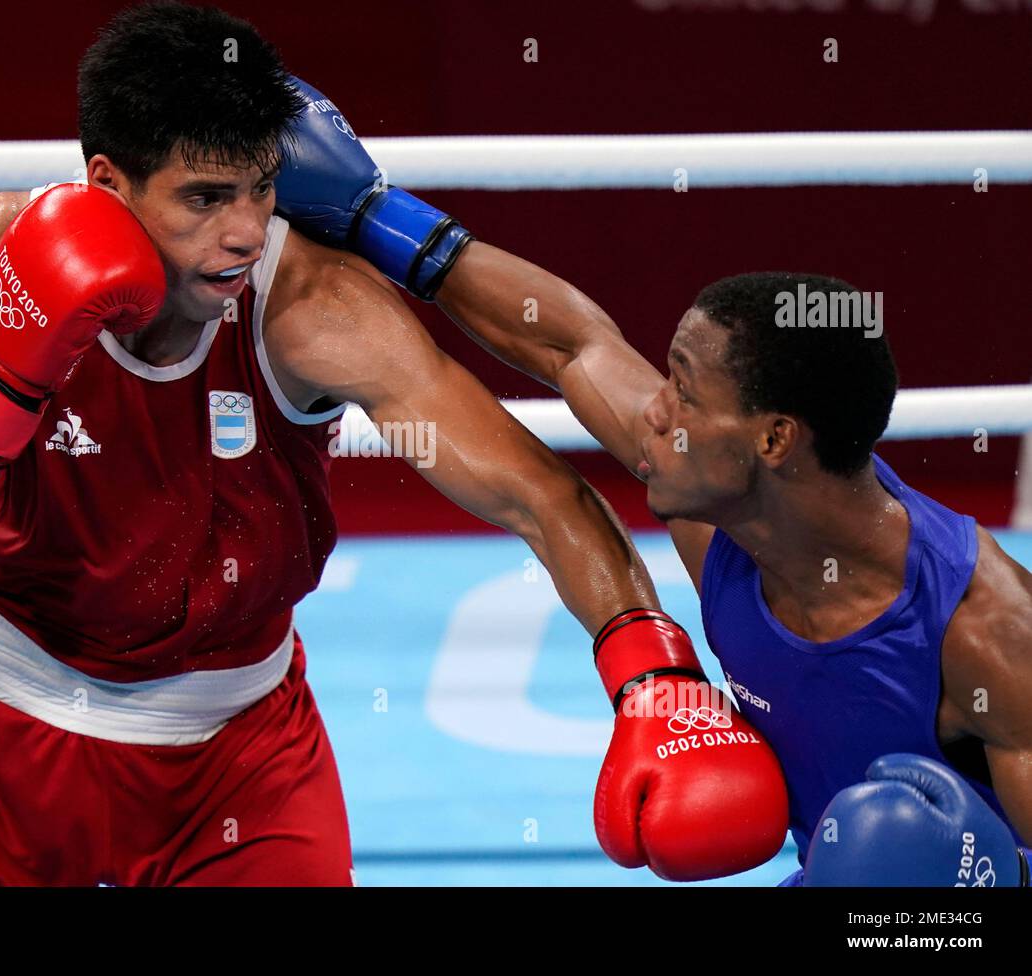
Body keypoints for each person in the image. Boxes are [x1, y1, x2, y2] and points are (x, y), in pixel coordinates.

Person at [0, 2, 785, 886]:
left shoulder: (312, 307)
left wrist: (649, 674)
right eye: (203, 199)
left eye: (261, 191)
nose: (242, 233)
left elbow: (539, 494)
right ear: (106, 182)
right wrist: (16, 373)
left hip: (228, 755)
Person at [276, 77, 1032, 886]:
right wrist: (374, 218)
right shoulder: (723, 515)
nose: (652, 413)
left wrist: (987, 882)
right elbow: (571, 347)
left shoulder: (989, 636)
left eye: (683, 394)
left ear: (774, 439)